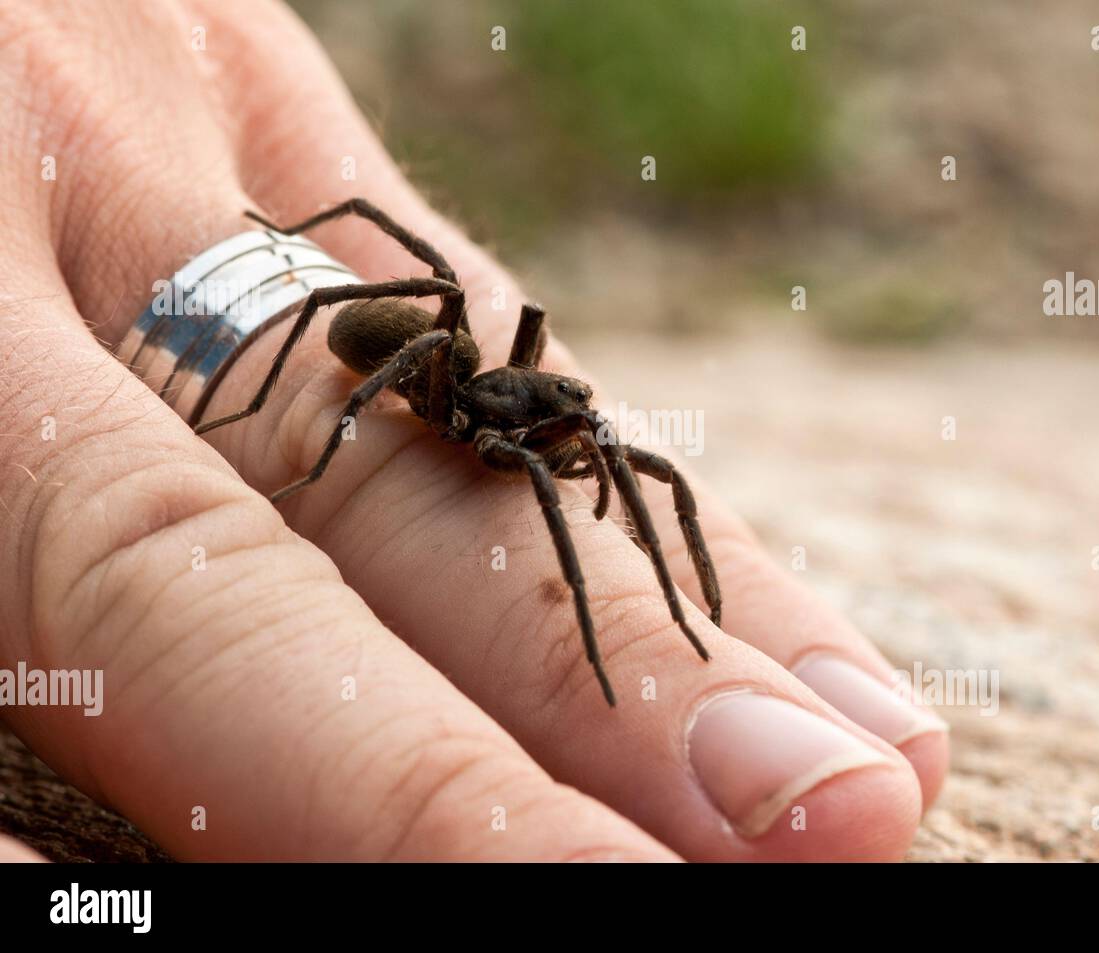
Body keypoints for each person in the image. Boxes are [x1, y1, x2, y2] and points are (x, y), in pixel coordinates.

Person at [0, 0, 946, 862]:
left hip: (461, 378)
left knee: (644, 464)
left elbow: (620, 465)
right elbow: (367, 299)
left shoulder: (559, 420)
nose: (579, 444)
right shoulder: (471, 404)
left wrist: (671, 612)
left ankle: (678, 618)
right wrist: (308, 422)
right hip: (387, 357)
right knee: (438, 295)